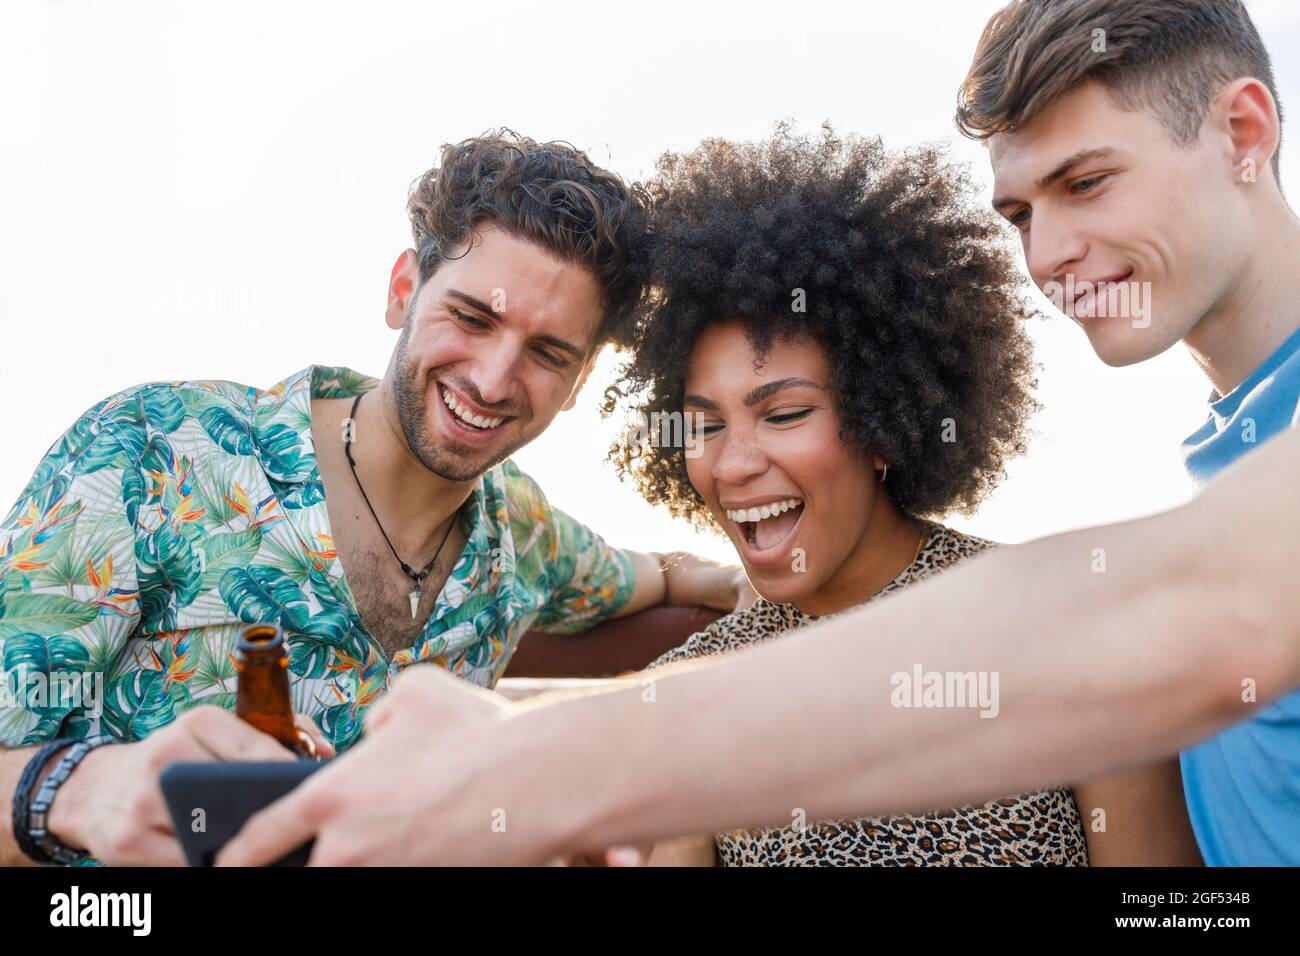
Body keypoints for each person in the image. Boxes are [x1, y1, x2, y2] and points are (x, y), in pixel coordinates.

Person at [219, 0, 1300, 867]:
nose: (1050, 251)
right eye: (1017, 212)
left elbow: (1152, 618)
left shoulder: (1175, 578)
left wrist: (550, 753)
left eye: (1087, 181)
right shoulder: (1240, 453)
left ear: (1244, 133)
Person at [0, 130, 746, 867]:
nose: (491, 380)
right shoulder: (152, 449)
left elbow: (656, 573)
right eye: (472, 318)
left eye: (548, 353)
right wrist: (82, 792)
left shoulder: (525, 531)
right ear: (402, 293)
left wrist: (754, 591)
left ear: (579, 383)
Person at [615, 126, 1198, 865]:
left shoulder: (1061, 627)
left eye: (785, 414)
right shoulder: (692, 697)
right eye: (703, 425)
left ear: (882, 422)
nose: (732, 465)